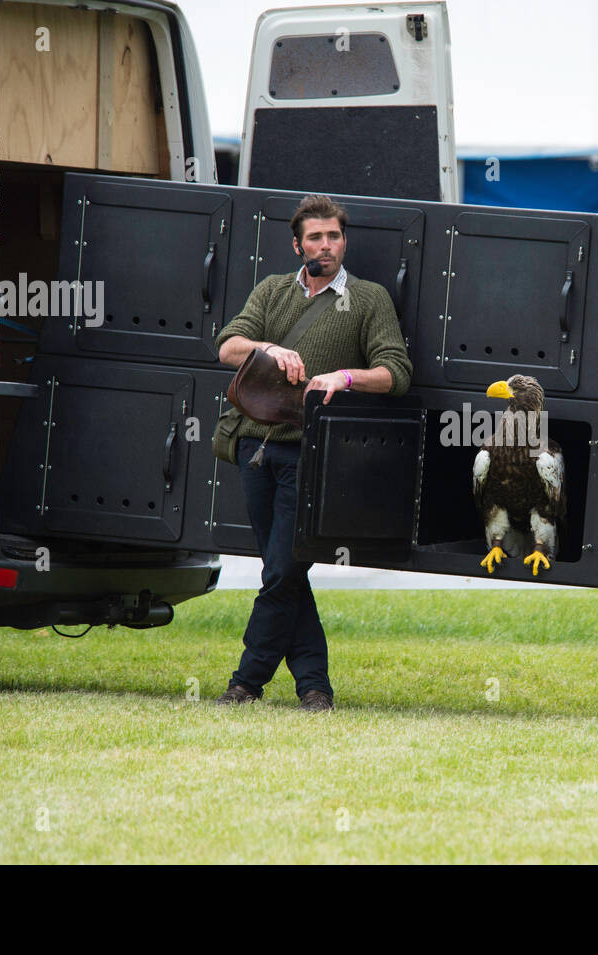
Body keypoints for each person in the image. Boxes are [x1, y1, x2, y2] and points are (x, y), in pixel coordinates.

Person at [213, 195, 412, 711]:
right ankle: (314, 687)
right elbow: (227, 344)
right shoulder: (272, 290)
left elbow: (397, 373)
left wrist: (346, 377)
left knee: (282, 570)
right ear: (297, 244)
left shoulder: (368, 299)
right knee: (285, 573)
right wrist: (267, 348)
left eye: (335, 236)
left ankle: (246, 682)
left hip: (313, 457)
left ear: (344, 241)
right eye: (316, 237)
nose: (327, 246)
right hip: (253, 449)